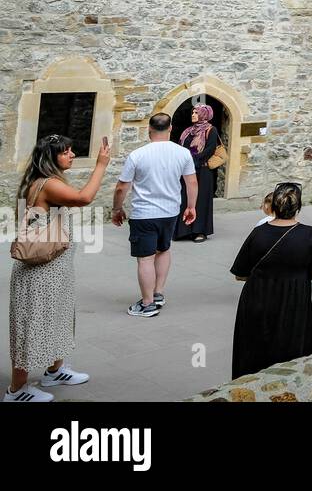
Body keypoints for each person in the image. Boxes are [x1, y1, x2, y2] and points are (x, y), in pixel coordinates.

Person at [6, 134, 110, 403]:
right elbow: (84, 198)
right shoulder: (49, 185)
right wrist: (101, 164)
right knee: (34, 325)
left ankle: (54, 370)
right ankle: (16, 391)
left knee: (58, 318)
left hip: (55, 269)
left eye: (72, 150)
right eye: (66, 152)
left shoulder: (48, 182)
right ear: (51, 158)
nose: (72, 154)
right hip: (40, 274)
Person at [229, 182, 312, 379]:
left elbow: (240, 273)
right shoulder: (309, 234)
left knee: (253, 350)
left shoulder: (258, 233)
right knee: (290, 351)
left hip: (257, 297)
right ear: (298, 208)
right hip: (294, 300)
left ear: (272, 206)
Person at [111, 113, 198, 318]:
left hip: (145, 214)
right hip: (170, 212)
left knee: (145, 259)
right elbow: (191, 182)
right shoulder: (183, 153)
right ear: (170, 129)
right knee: (164, 250)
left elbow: (122, 187)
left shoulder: (138, 155)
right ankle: (158, 292)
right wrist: (191, 207)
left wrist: (117, 208)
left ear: (149, 130)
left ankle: (148, 303)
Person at [173, 102, 221, 242]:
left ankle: (199, 231)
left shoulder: (211, 130)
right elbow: (182, 147)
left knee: (200, 200)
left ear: (204, 115)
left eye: (196, 113)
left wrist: (193, 159)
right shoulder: (188, 131)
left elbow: (210, 149)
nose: (193, 115)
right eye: (193, 113)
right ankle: (183, 231)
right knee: (184, 197)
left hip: (202, 170)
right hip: (186, 169)